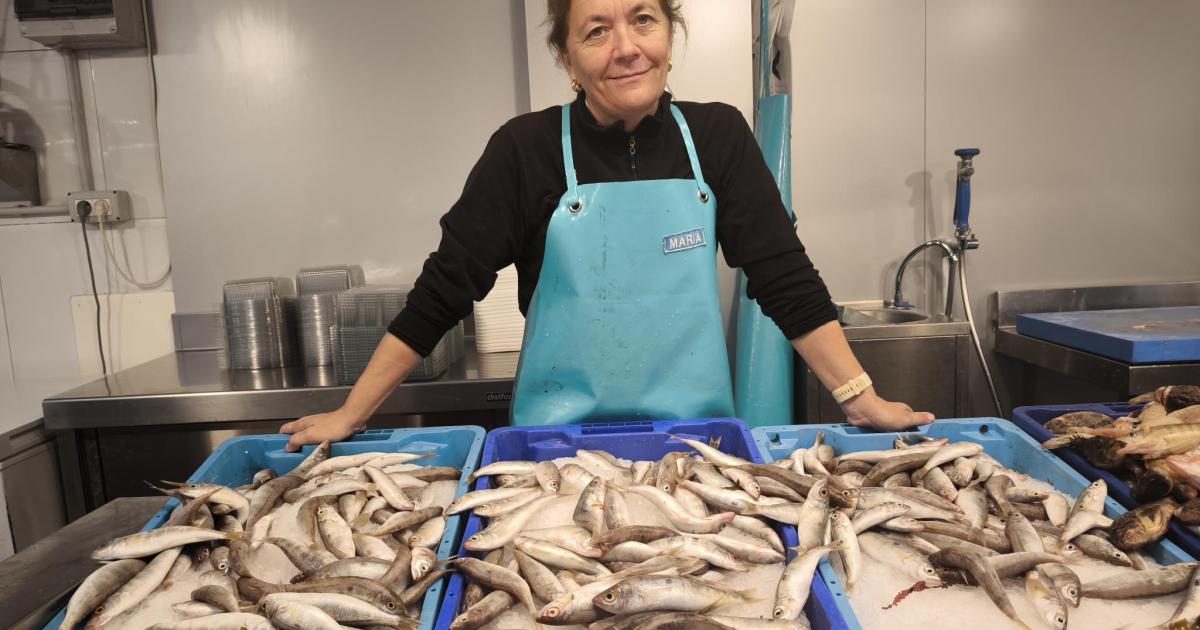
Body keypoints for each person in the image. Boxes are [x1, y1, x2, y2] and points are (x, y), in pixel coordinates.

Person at [280, 0, 933, 452]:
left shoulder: (718, 137)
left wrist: (859, 398)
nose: (626, 48)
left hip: (696, 446)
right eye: (596, 31)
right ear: (567, 60)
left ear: (668, 37)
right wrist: (353, 411)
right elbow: (446, 287)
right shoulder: (524, 150)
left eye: (642, 21)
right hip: (553, 448)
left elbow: (781, 273)